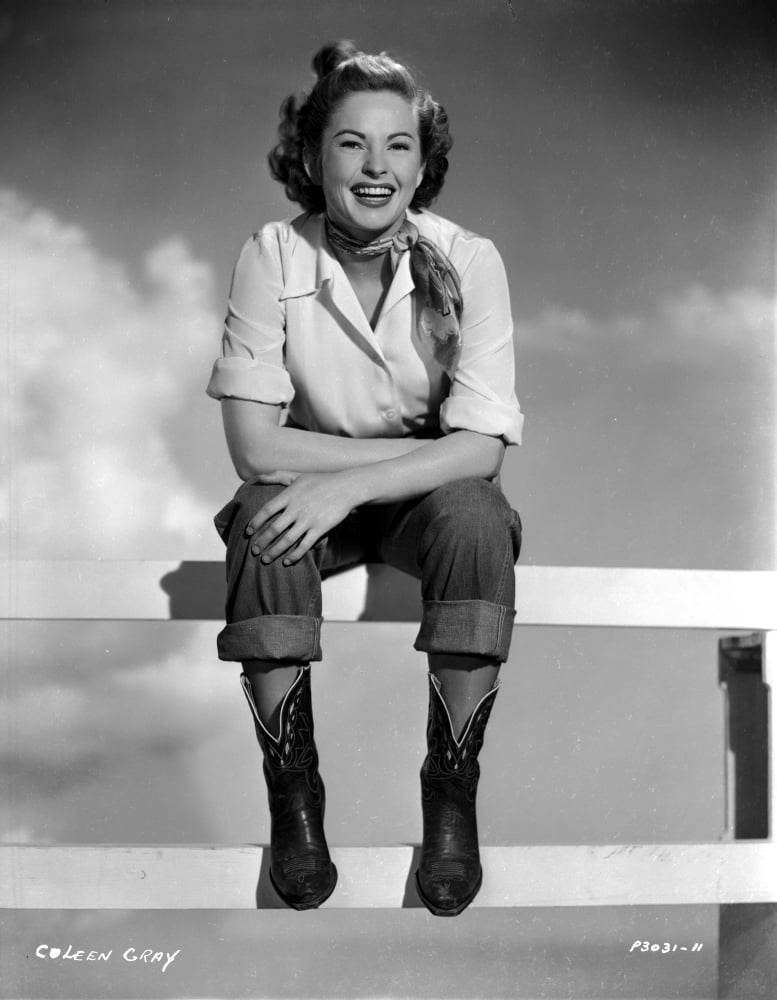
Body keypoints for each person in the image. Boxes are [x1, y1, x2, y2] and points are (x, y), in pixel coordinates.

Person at [206, 40, 524, 917]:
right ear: (313, 158)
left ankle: (451, 792)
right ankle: (293, 798)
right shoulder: (271, 253)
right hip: (313, 498)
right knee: (264, 519)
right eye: (351, 144)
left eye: (397, 146)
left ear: (425, 164)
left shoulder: (472, 259)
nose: (375, 167)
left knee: (474, 517)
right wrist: (359, 473)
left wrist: (349, 480)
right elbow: (252, 447)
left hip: (417, 505)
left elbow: (483, 449)